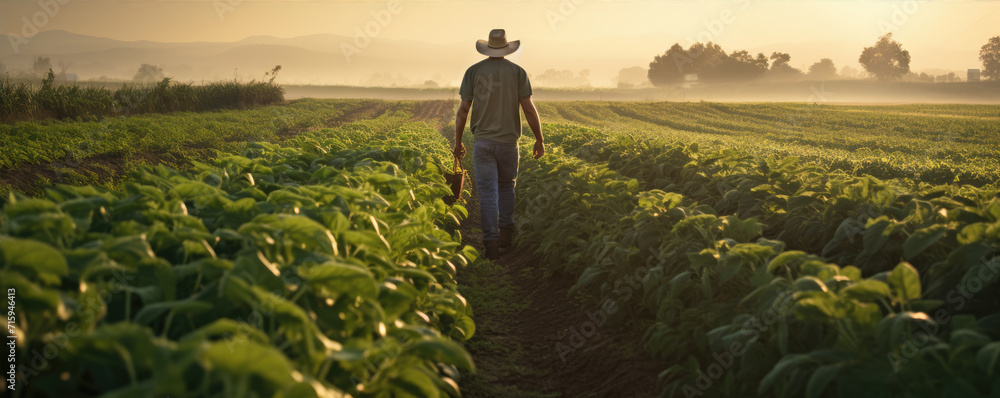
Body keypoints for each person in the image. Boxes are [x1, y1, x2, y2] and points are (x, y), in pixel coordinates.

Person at [454, 28, 544, 261]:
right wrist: (539, 138)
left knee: (486, 193)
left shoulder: (473, 72)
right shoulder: (517, 72)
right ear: (506, 49)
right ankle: (506, 235)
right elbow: (528, 109)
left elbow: (463, 111)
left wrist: (457, 142)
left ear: (487, 48)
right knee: (506, 187)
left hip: (483, 143)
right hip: (508, 143)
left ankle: (490, 244)